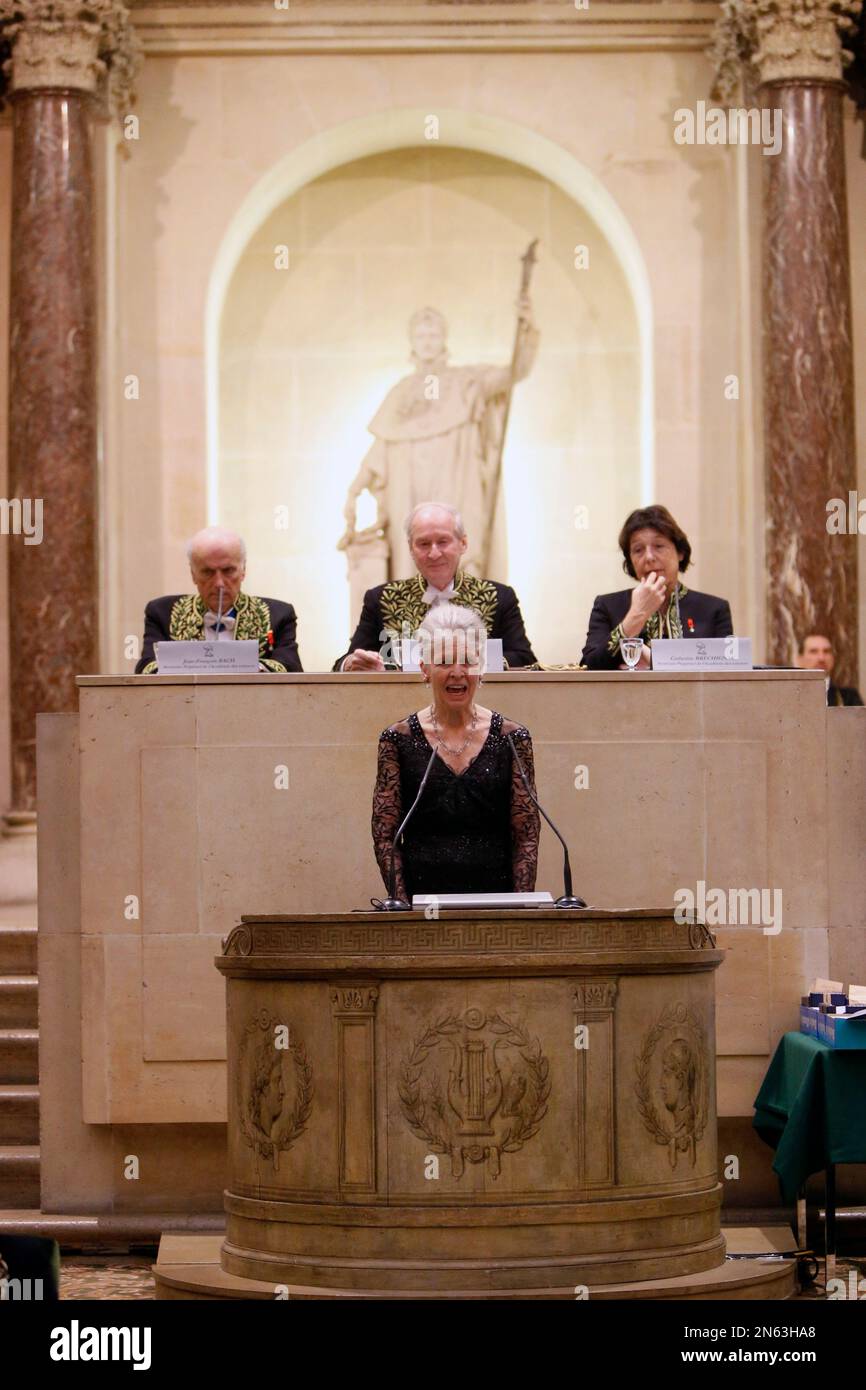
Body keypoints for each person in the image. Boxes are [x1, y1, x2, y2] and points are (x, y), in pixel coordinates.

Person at [338, 299, 538, 579]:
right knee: (412, 568)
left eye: (433, 335)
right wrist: (354, 490)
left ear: (444, 338)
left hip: (456, 485)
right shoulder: (401, 393)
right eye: (421, 335)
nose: (428, 342)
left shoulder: (468, 382)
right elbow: (382, 447)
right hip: (408, 493)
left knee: (460, 562)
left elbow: (514, 372)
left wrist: (526, 332)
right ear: (412, 341)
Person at [372, 603, 540, 900]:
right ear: (424, 669)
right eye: (445, 662)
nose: (458, 672)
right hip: (422, 903)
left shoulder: (513, 738)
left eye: (467, 661)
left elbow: (526, 834)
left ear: (482, 667)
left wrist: (519, 907)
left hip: (497, 901)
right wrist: (400, 904)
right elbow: (386, 835)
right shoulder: (397, 739)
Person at [335, 501, 537, 671]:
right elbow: (343, 664)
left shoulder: (499, 596)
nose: (434, 553)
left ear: (463, 543)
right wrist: (351, 663)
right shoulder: (380, 599)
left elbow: (525, 659)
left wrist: (476, 662)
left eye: (443, 542)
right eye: (423, 544)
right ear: (411, 549)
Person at [580, 505, 733, 670]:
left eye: (659, 546)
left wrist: (654, 659)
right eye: (638, 550)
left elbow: (726, 674)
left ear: (680, 552)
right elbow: (589, 666)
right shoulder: (607, 606)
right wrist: (636, 616)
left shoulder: (713, 609)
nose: (649, 557)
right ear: (630, 560)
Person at [135, 526, 302, 674]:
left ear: (243, 570)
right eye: (207, 572)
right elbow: (146, 668)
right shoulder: (162, 614)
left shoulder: (278, 615)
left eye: (228, 570)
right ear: (193, 574)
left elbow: (291, 668)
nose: (219, 583)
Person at [798, 633, 863, 706]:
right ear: (800, 659)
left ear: (833, 658)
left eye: (826, 651)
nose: (821, 658)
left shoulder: (849, 697)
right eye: (814, 651)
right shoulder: (789, 695)